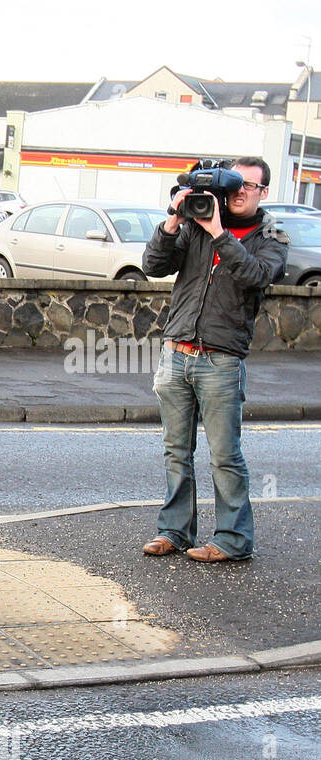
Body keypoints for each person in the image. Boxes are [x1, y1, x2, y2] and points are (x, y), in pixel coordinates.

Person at [141, 157, 289, 563]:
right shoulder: (194, 224)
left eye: (250, 185)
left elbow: (258, 275)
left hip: (221, 360)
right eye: (235, 182)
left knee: (224, 455)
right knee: (176, 451)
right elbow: (153, 266)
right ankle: (174, 532)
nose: (240, 191)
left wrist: (221, 234)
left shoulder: (271, 234)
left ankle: (233, 540)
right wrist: (173, 220)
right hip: (177, 352)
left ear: (263, 192)